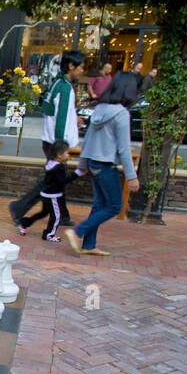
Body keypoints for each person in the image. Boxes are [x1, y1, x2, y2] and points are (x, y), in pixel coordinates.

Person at [64, 70, 142, 257]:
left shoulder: (100, 109)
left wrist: (82, 164)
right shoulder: (121, 114)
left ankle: (88, 245)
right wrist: (132, 177)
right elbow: (124, 149)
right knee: (115, 206)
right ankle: (77, 232)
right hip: (105, 165)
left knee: (100, 205)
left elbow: (88, 139)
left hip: (92, 162)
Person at [39, 49, 85, 225]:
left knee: (54, 182)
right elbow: (61, 119)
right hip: (55, 143)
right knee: (56, 182)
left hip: (52, 142)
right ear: (71, 66)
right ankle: (58, 214)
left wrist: (75, 119)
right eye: (80, 67)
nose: (82, 71)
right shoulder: (64, 88)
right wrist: (61, 147)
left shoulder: (58, 83)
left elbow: (60, 113)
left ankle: (60, 214)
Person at [17, 140, 76, 242]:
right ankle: (49, 234)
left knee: (43, 213)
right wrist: (77, 173)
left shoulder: (50, 163)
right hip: (53, 196)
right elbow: (63, 180)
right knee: (57, 216)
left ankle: (24, 223)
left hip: (46, 194)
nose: (68, 154)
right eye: (67, 152)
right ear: (59, 155)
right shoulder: (58, 167)